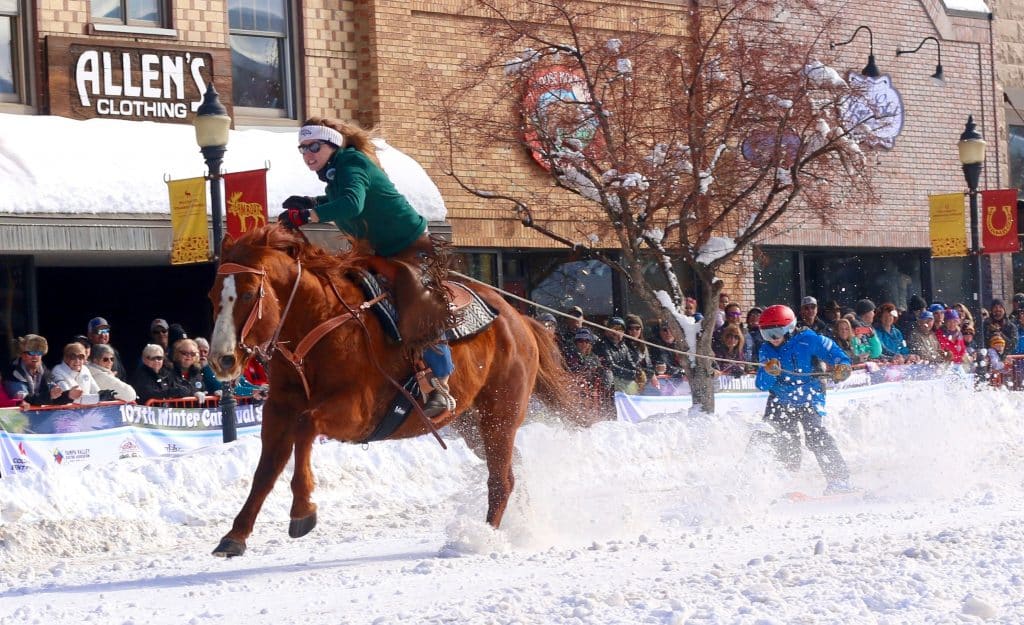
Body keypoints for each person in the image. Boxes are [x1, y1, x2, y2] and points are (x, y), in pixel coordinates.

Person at [278, 117, 455, 418]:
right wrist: (311, 201)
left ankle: (439, 385)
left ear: (332, 144)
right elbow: (342, 198)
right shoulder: (336, 173)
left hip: (409, 248)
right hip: (375, 252)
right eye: (303, 149)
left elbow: (351, 204)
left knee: (417, 304)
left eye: (314, 146)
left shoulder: (351, 162)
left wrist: (308, 215)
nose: (308, 154)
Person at [753, 304, 853, 495]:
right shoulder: (766, 350)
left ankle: (839, 480)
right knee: (780, 438)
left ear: (790, 328)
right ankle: (783, 482)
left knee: (817, 436)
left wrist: (843, 368)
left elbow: (838, 356)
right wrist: (770, 372)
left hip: (809, 396)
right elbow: (762, 384)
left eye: (776, 332)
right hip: (780, 399)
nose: (772, 339)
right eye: (767, 334)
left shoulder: (809, 339)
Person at [3, 334, 63, 407]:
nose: (35, 356)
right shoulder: (12, 373)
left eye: (39, 353)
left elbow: (53, 391)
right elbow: (25, 400)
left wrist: (69, 395)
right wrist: (49, 396)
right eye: (32, 352)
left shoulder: (44, 370)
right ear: (22, 354)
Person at [594, 316, 641, 394]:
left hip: (622, 378)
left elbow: (630, 363)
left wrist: (638, 372)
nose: (616, 332)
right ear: (607, 330)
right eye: (614, 329)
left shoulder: (623, 346)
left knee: (635, 385)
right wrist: (631, 373)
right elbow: (610, 366)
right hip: (609, 380)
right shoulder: (603, 344)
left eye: (620, 329)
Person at [623, 313, 653, 383]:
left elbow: (649, 365)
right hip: (629, 380)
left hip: (642, 380)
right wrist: (639, 372)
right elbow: (628, 365)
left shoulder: (643, 345)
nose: (634, 331)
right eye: (630, 328)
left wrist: (652, 373)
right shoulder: (622, 345)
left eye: (637, 328)